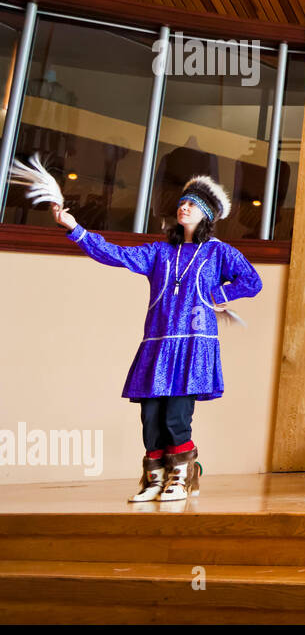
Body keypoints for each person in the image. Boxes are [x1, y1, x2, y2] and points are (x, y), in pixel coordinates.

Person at [53, 175, 262, 502]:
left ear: (206, 213)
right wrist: (75, 228)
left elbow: (252, 281)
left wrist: (217, 293)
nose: (184, 208)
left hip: (193, 345)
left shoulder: (219, 253)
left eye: (191, 204)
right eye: (181, 203)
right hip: (158, 345)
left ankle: (183, 475)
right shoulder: (159, 252)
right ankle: (155, 478)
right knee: (150, 417)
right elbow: (115, 254)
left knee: (176, 416)